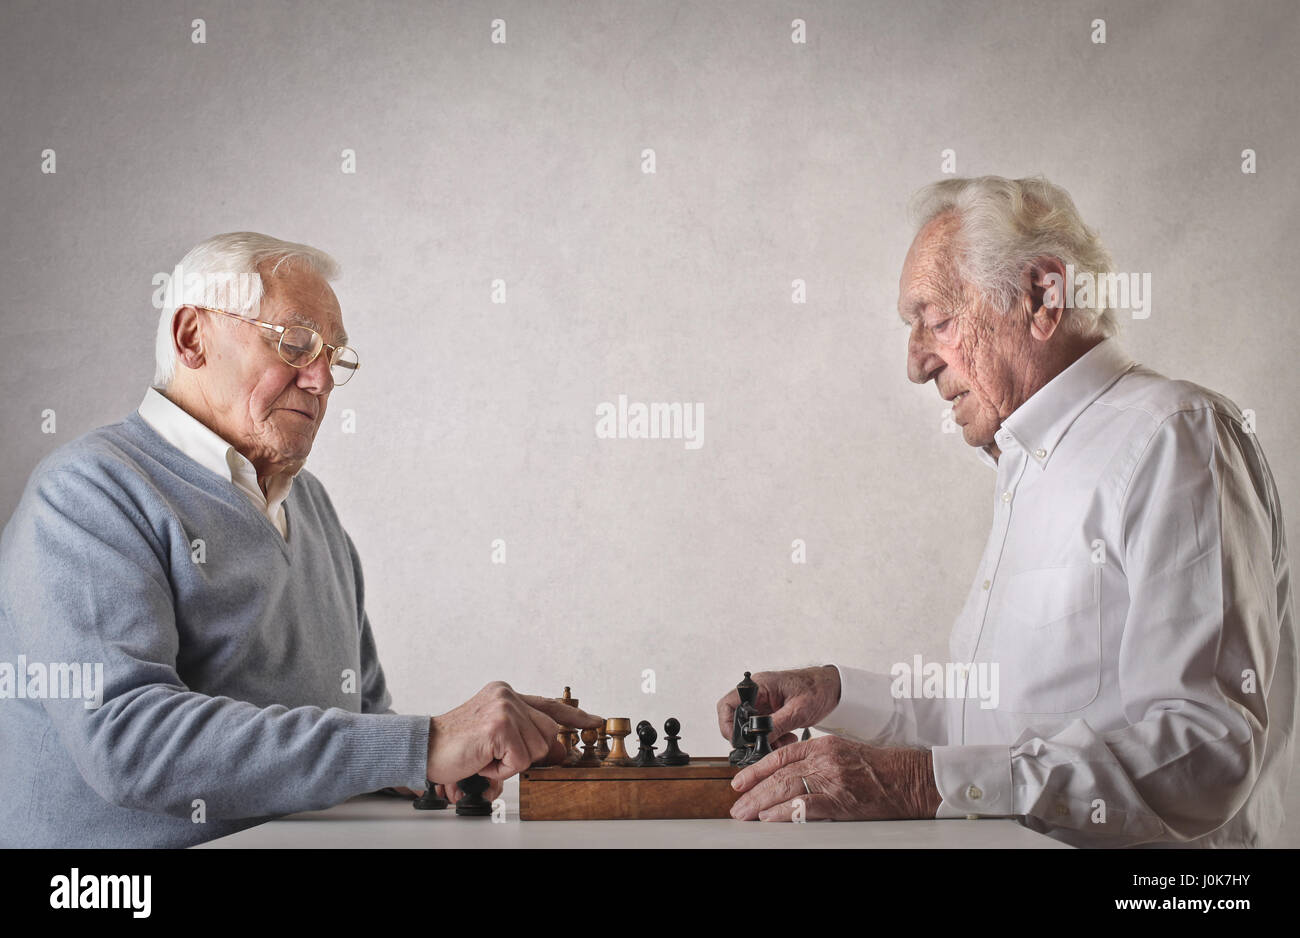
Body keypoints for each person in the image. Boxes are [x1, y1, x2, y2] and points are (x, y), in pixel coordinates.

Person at [718, 176, 1295, 847]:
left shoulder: (1175, 434)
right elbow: (995, 732)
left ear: (1044, 297)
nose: (916, 364)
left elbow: (1207, 752)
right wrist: (838, 694)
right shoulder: (1030, 461)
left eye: (936, 320)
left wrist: (920, 785)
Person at [0, 232, 600, 847]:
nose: (321, 380)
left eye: (334, 357)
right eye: (295, 343)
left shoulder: (309, 504)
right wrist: (423, 744)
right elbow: (128, 742)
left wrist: (436, 759)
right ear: (191, 337)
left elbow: (358, 721)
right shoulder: (85, 494)